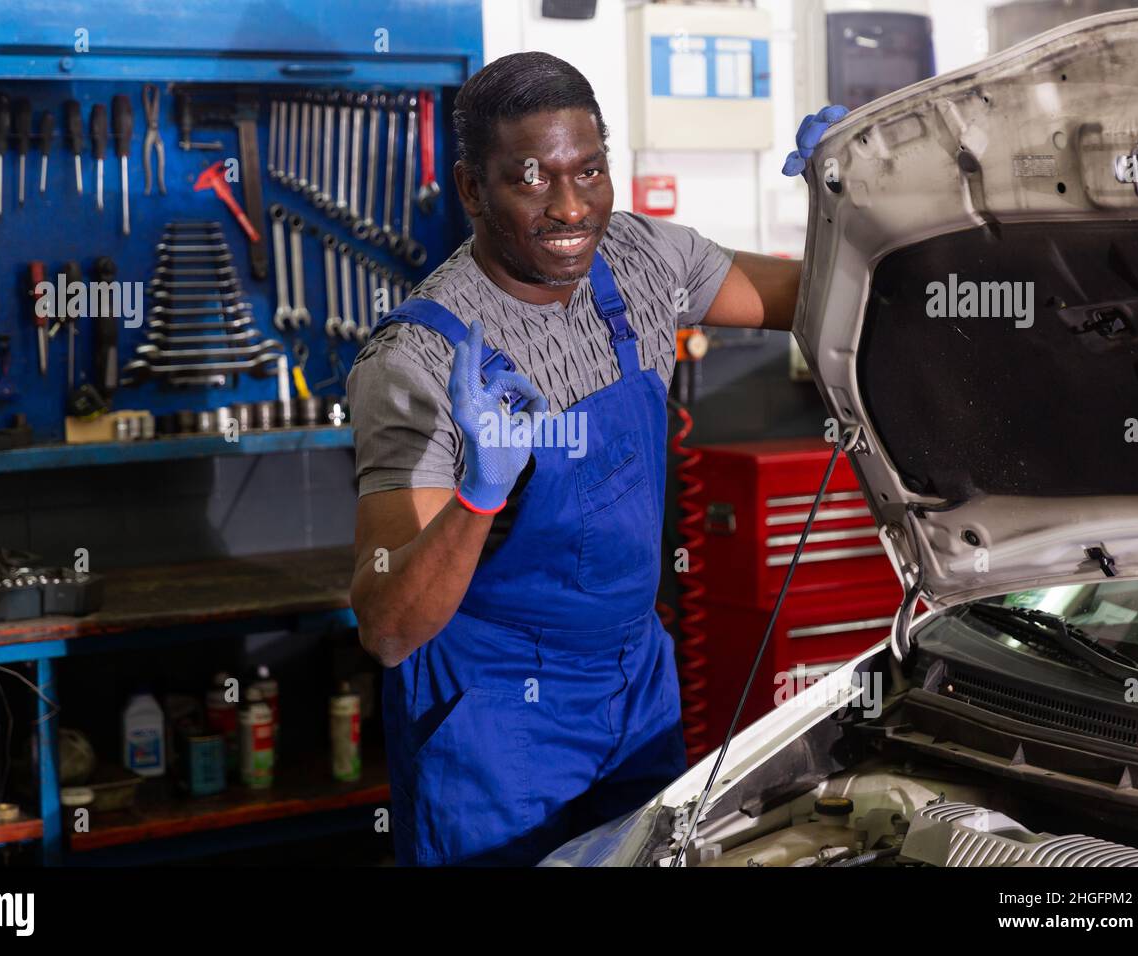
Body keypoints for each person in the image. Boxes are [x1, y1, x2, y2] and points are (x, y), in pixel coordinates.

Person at [347, 50, 847, 865]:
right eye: (532, 179)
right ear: (473, 189)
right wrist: (477, 498)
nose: (571, 207)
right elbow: (390, 627)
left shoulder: (645, 262)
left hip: (634, 683)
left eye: (590, 171)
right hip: (499, 719)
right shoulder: (419, 360)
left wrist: (852, 196)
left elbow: (820, 298)